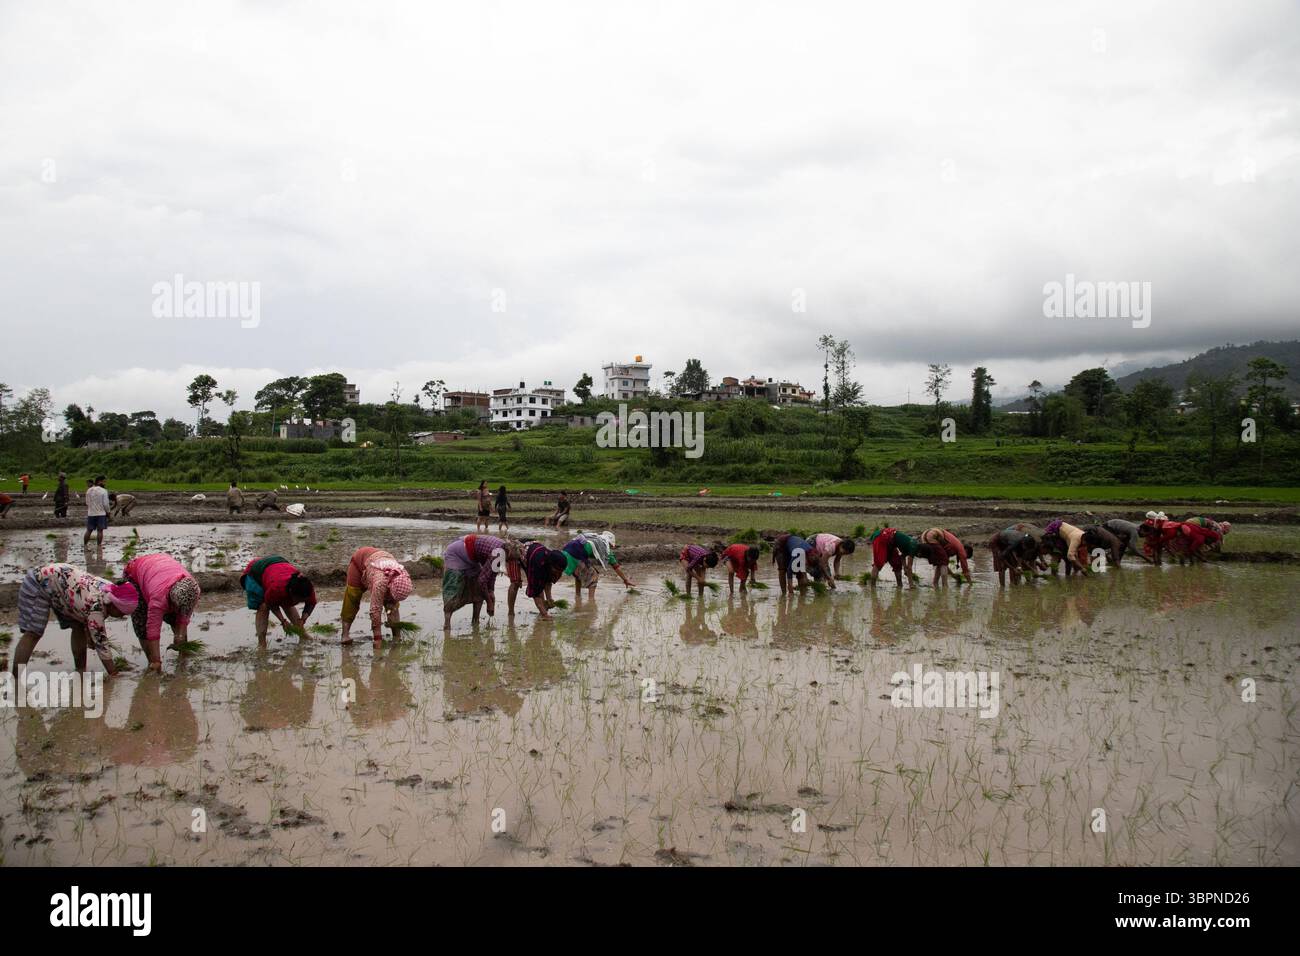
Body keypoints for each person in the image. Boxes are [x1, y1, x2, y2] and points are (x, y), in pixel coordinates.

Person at [11, 563, 138, 676]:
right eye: (121, 613)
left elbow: (88, 621)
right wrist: (113, 673)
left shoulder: (111, 589)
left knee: (78, 626)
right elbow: (101, 645)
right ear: (113, 604)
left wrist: (90, 634)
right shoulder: (95, 607)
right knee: (33, 633)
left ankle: (80, 671)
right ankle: (16, 677)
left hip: (61, 585)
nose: (122, 616)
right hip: (38, 583)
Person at [122, 553, 202, 672]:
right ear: (171, 600)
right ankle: (153, 664)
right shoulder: (158, 598)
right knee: (142, 623)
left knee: (176, 619)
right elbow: (152, 629)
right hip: (136, 574)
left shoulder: (192, 589)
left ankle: (183, 661)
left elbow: (184, 615)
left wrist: (179, 635)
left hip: (161, 566)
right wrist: (156, 660)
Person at [341, 547, 414, 644]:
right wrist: (377, 639)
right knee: (352, 597)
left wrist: (392, 608)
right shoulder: (380, 583)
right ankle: (345, 635)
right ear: (390, 586)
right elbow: (375, 610)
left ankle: (397, 636)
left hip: (382, 560)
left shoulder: (402, 577)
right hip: (360, 562)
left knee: (392, 605)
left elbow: (393, 605)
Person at [240, 556, 317, 641]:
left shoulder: (307, 588)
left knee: (287, 602)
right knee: (263, 606)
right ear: (291, 591)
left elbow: (311, 603)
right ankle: (262, 643)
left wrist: (303, 620)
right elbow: (271, 604)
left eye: (301, 600)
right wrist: (283, 621)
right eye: (297, 600)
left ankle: (302, 634)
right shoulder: (277, 588)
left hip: (278, 565)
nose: (297, 602)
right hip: (256, 570)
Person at [442, 534, 506, 628]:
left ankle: (475, 621)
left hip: (472, 558)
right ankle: (447, 624)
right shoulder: (497, 554)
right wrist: (489, 602)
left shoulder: (503, 551)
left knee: (479, 591)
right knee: (453, 587)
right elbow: (482, 580)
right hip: (456, 554)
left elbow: (492, 573)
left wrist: (491, 591)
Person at [506, 540, 568, 619]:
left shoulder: (553, 561)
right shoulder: (537, 564)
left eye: (561, 571)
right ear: (551, 565)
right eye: (557, 570)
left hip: (532, 553)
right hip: (516, 552)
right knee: (516, 583)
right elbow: (535, 592)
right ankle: (511, 613)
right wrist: (545, 615)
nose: (559, 573)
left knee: (541, 583)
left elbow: (547, 582)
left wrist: (549, 598)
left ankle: (543, 610)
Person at [567, 530, 635, 596]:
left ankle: (577, 596)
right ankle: (591, 602)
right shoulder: (605, 547)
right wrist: (625, 580)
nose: (610, 548)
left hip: (566, 551)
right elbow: (616, 567)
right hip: (576, 555)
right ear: (609, 543)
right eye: (610, 546)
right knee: (594, 575)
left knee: (579, 573)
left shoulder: (593, 537)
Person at [83, 476, 111, 547]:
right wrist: (108, 512)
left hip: (91, 513)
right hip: (101, 514)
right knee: (100, 531)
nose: (105, 483)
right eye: (104, 481)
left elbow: (87, 502)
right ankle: (99, 546)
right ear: (99, 481)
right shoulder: (103, 491)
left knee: (89, 530)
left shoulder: (89, 490)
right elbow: (105, 504)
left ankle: (85, 545)